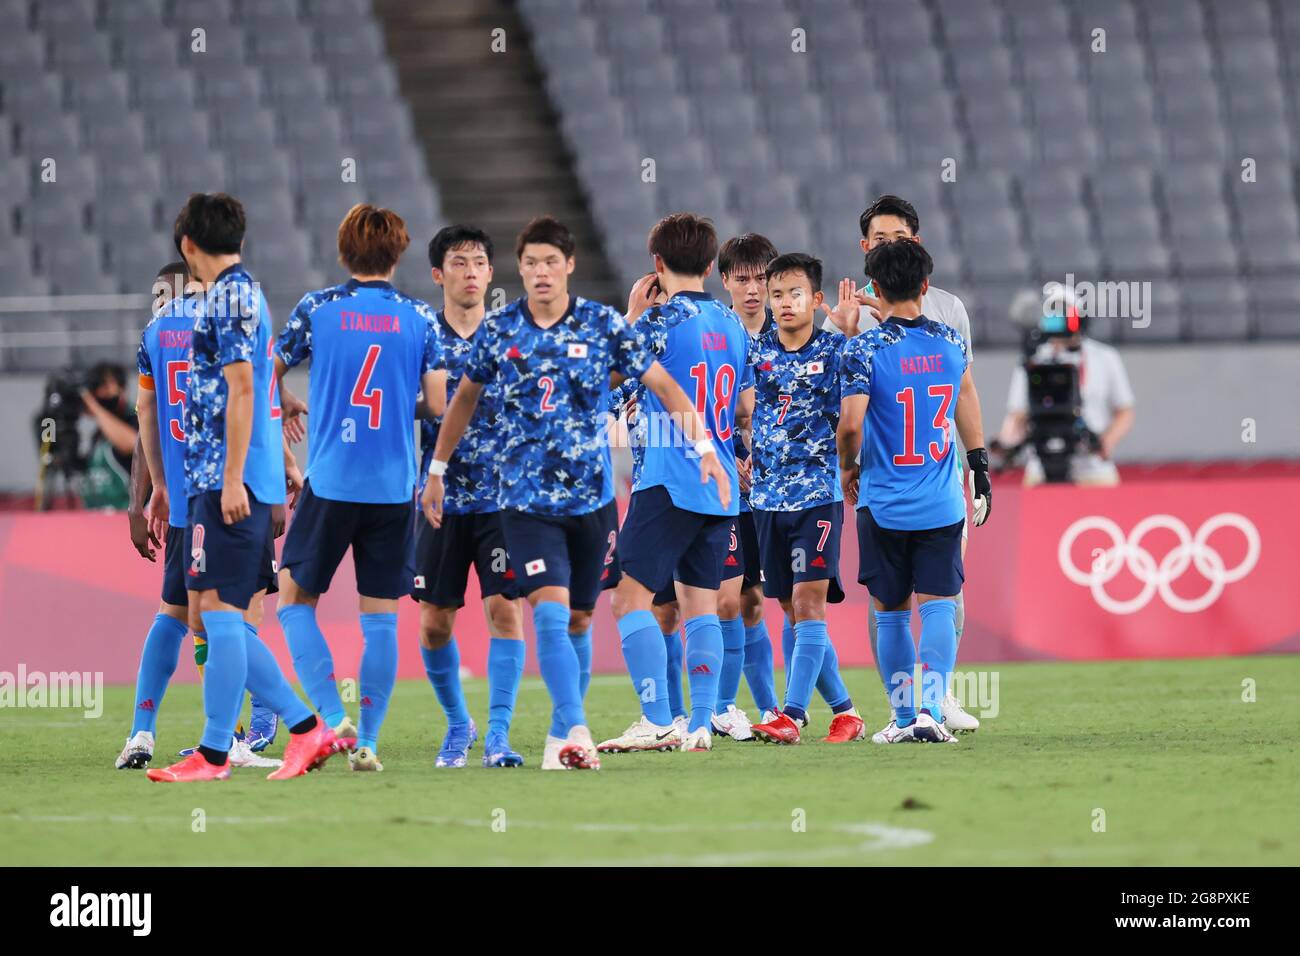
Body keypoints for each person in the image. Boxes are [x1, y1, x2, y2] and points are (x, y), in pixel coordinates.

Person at [421, 215, 726, 771]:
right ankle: (574, 732)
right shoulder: (500, 330)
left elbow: (662, 384)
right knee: (549, 614)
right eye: (531, 262)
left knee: (583, 618)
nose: (541, 272)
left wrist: (705, 446)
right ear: (521, 268)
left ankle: (565, 726)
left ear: (569, 266)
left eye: (551, 262)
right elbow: (462, 399)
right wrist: (438, 468)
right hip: (524, 501)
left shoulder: (601, 325)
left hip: (592, 499)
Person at [146, 193, 350, 782]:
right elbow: (254, 383)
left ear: (187, 245)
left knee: (220, 613)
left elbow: (240, 389)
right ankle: (304, 732)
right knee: (212, 614)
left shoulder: (230, 297)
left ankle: (216, 754)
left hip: (228, 479)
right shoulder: (241, 294)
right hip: (222, 475)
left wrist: (232, 477)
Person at [274, 203, 447, 774]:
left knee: (295, 600)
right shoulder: (420, 318)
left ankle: (329, 716)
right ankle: (369, 742)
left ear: (344, 251)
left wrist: (290, 401)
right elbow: (442, 405)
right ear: (398, 254)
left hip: (331, 479)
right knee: (381, 619)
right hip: (394, 487)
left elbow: (263, 369)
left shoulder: (318, 309)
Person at [824, 193, 982, 733]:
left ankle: (899, 713)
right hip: (941, 497)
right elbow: (965, 396)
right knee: (940, 603)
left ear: (875, 285)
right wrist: (979, 463)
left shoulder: (863, 349)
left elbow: (848, 424)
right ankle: (933, 710)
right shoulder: (948, 340)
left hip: (884, 497)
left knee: (890, 609)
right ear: (922, 285)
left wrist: (848, 466)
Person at [597, 213, 750, 754]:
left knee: (627, 599)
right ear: (711, 265)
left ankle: (657, 717)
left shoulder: (657, 322)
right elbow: (745, 408)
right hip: (720, 483)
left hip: (667, 477)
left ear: (657, 264)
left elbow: (604, 384)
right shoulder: (733, 325)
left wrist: (632, 315)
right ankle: (701, 723)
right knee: (699, 604)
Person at [412, 224, 529, 769]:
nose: (471, 272)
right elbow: (398, 400)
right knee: (436, 621)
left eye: (479, 262)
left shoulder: (510, 335)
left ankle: (499, 735)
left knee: (505, 611)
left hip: (501, 500)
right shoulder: (420, 335)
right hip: (439, 501)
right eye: (458, 262)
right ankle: (459, 724)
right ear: (439, 274)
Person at [745, 253, 865, 745]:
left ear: (816, 300)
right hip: (766, 500)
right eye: (777, 294)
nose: (784, 302)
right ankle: (846, 711)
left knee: (808, 602)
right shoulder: (755, 351)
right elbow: (736, 408)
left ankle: (790, 715)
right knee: (789, 611)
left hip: (817, 495)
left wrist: (852, 334)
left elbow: (861, 407)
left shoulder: (838, 350)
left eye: (795, 293)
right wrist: (739, 449)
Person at [996, 300, 1135, 486]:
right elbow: (1017, 413)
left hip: (1094, 469)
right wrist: (1005, 444)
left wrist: (1105, 443)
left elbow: (1125, 410)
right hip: (1040, 469)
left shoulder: (1104, 357)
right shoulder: (1033, 359)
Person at [78, 362, 139, 510]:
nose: (102, 394)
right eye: (97, 388)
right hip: (96, 519)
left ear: (122, 388)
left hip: (123, 517)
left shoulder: (134, 418)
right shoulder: (98, 434)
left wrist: (93, 406)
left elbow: (132, 443)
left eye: (107, 386)